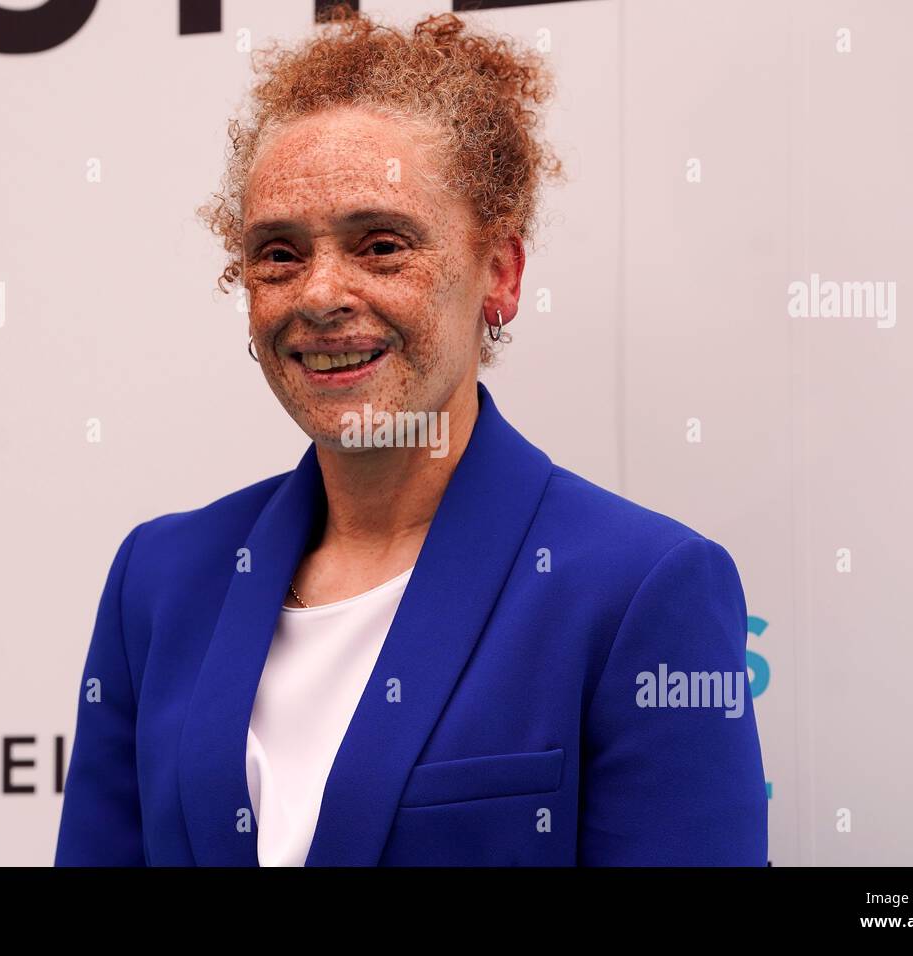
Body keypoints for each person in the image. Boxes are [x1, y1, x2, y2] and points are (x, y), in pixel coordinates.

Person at [55, 7, 766, 866]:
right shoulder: (161, 580)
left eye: (381, 245)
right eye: (278, 253)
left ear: (500, 272)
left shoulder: (641, 589)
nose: (320, 293)